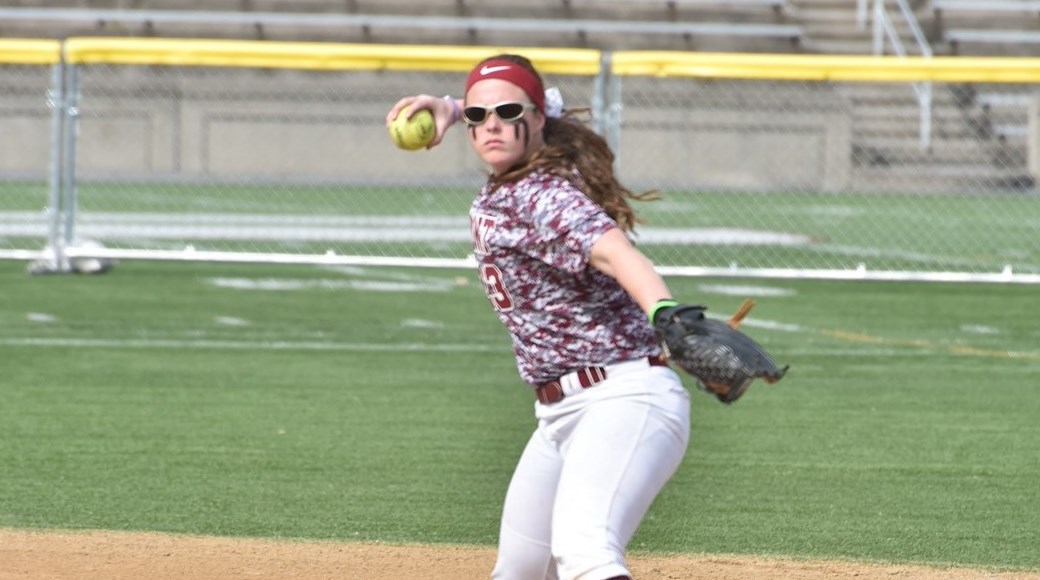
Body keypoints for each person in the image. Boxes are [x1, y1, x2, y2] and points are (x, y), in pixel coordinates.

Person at [386, 54, 690, 580]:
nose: (491, 125)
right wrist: (454, 107)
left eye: (507, 112)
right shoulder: (519, 173)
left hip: (622, 399)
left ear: (537, 119)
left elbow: (617, 254)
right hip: (560, 414)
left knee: (586, 551)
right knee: (520, 571)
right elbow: (511, 105)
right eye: (480, 117)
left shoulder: (543, 194)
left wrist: (665, 311)